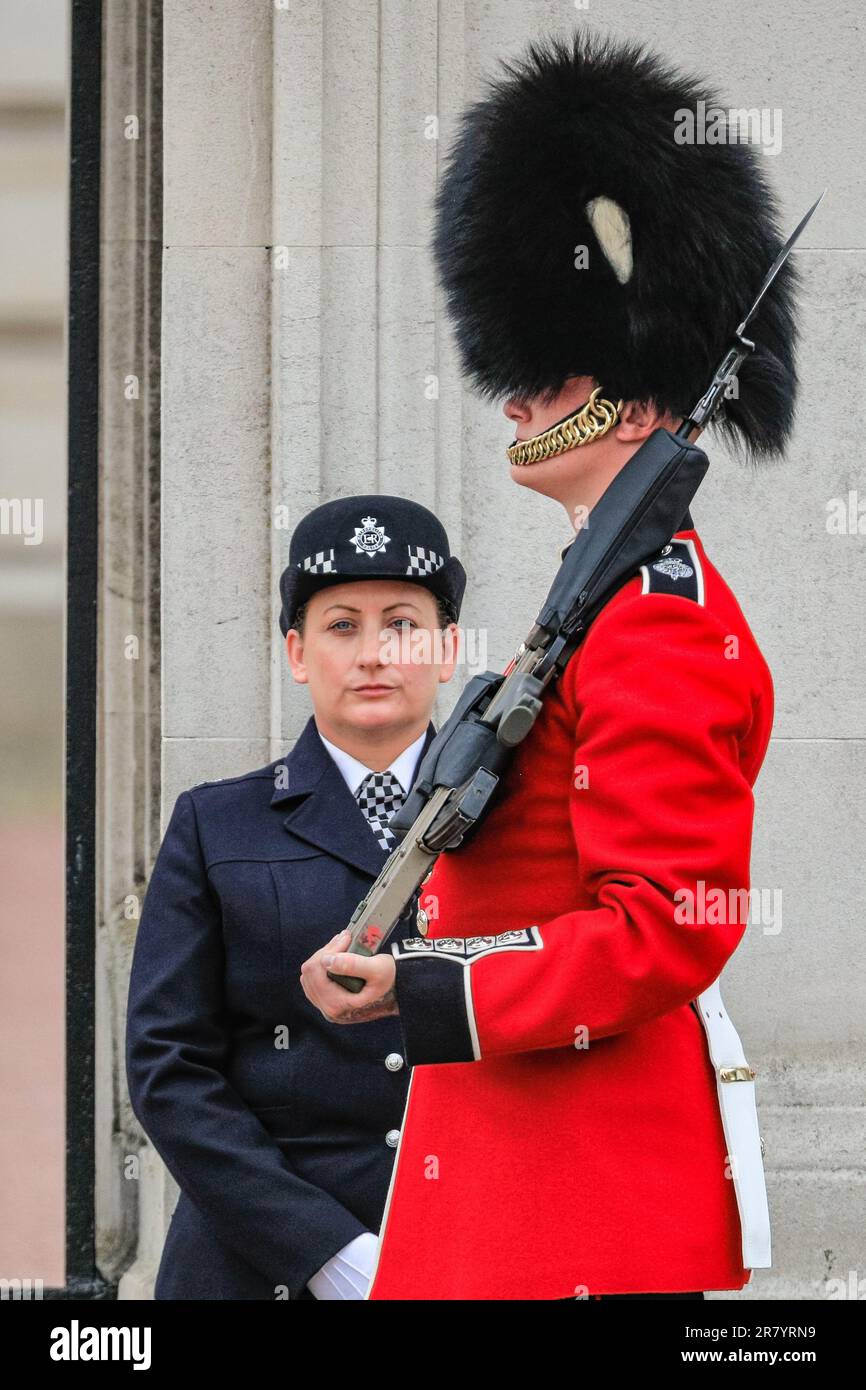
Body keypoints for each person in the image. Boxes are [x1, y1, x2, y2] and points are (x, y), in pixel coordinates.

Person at [299, 31, 799, 1300]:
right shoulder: (597, 598)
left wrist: (423, 993)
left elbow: (660, 932)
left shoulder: (657, 619)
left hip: (578, 1205)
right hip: (516, 1176)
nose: (513, 401)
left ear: (632, 398)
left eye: (545, 373)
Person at [125, 494, 464, 1299]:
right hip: (257, 1264)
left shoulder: (522, 822)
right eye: (342, 625)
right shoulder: (217, 823)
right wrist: (328, 1253)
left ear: (448, 648)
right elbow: (169, 1066)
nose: (374, 653)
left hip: (467, 1245)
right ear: (297, 652)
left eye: (403, 624)